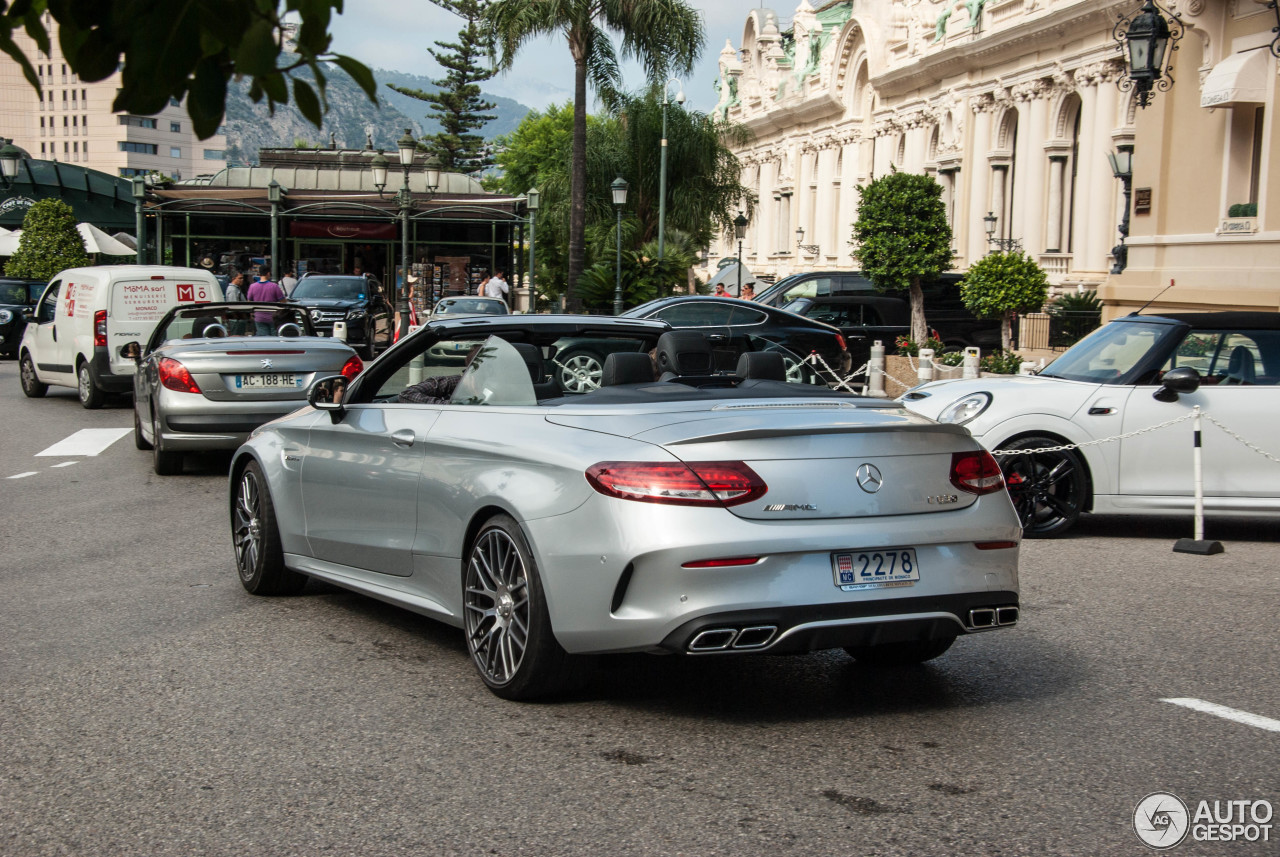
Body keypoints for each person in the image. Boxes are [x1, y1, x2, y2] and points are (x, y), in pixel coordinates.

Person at [246, 265, 285, 335]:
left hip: (259, 317)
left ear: (259, 274)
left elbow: (249, 303)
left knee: (263, 338)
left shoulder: (252, 287)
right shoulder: (274, 286)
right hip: (273, 317)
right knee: (274, 339)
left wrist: (252, 314)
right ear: (268, 273)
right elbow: (283, 302)